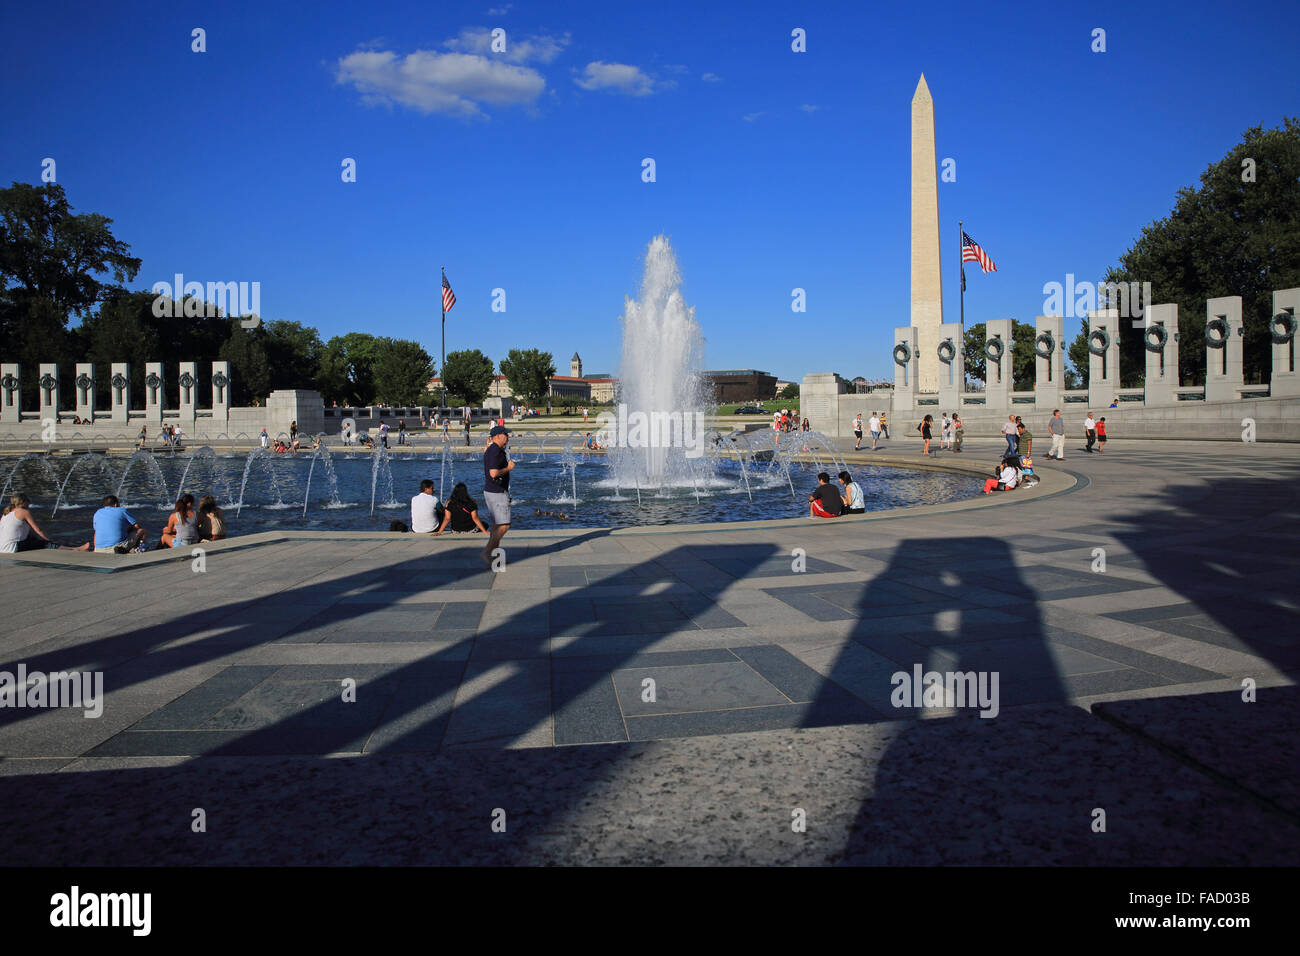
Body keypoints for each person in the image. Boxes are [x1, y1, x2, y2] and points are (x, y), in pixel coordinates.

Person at [0, 494, 86, 552]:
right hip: (11, 548)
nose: (29, 504)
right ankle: (74, 549)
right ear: (23, 502)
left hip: (2, 547)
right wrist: (48, 540)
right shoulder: (23, 511)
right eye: (28, 502)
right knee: (44, 544)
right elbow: (38, 529)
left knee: (32, 538)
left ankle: (71, 548)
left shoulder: (7, 513)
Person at [481, 425, 514, 564]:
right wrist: (509, 468)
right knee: (504, 525)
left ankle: (494, 554)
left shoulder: (493, 449)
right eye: (506, 435)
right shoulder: (495, 451)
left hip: (491, 490)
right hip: (497, 492)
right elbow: (494, 473)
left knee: (496, 525)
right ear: (499, 435)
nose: (508, 437)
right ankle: (487, 552)